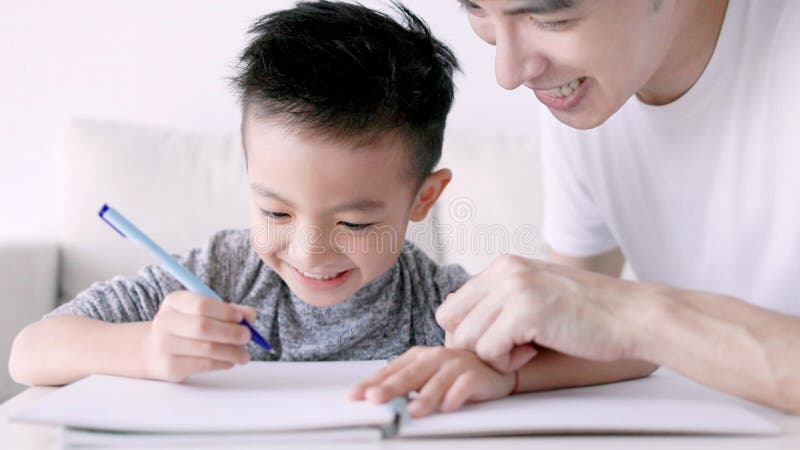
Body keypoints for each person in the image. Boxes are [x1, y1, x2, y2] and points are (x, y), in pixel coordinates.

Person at [7, 0, 653, 418]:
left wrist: (494, 372)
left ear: (423, 199)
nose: (310, 251)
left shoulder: (440, 306)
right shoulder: (220, 274)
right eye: (276, 213)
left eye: (354, 223)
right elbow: (29, 352)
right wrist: (148, 349)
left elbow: (635, 353)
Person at [356, 0, 800, 414]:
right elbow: (573, 319)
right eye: (477, 9)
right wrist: (500, 369)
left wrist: (635, 315)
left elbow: (606, 312)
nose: (508, 73)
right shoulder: (592, 94)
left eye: (551, 20)